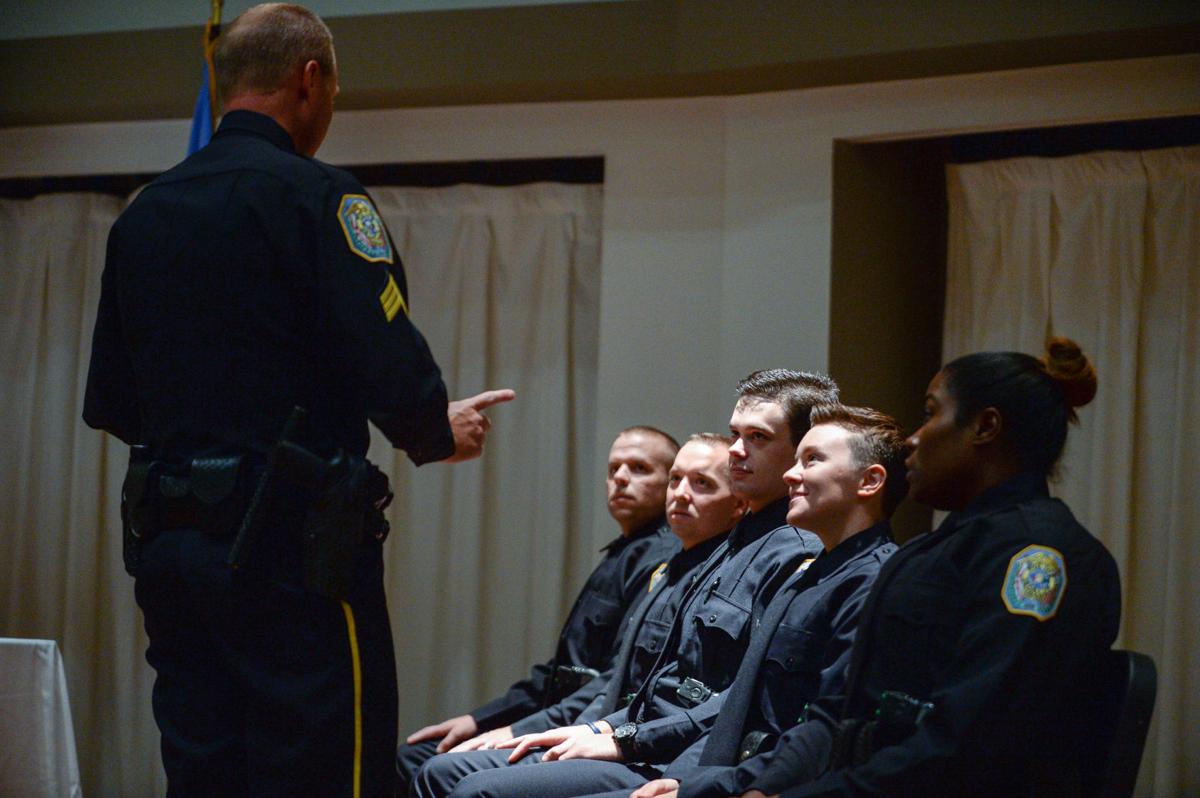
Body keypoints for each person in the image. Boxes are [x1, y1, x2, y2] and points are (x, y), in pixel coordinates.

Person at [82, 5, 511, 797]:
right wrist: (434, 430)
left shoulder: (143, 215)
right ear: (308, 80)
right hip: (291, 550)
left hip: (172, 549)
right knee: (324, 771)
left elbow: (110, 399)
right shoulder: (320, 199)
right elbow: (387, 359)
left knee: (204, 767)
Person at [695, 337, 1121, 798]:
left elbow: (968, 748)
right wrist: (758, 788)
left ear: (985, 426)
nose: (913, 439)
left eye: (931, 413)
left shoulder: (1037, 556)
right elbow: (841, 713)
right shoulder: (930, 553)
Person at [414, 370, 837, 798]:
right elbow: (646, 683)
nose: (738, 451)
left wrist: (623, 741)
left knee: (472, 790)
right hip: (640, 739)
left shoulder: (792, 552)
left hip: (673, 760)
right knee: (441, 772)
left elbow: (739, 705)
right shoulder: (725, 547)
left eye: (759, 438)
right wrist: (600, 729)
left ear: (801, 451)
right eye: (736, 434)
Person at [621, 405, 907, 798]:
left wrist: (723, 788)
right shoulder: (806, 577)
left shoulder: (875, 582)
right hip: (721, 775)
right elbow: (738, 709)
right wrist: (687, 780)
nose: (791, 474)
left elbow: (826, 729)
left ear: (870, 481)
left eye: (812, 460)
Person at [397, 427, 683, 793]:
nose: (621, 478)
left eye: (640, 468)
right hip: (558, 714)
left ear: (669, 483)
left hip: (585, 725)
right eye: (614, 469)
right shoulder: (623, 552)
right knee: (414, 755)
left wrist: (518, 731)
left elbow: (612, 682)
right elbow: (557, 674)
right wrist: (477, 720)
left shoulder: (661, 558)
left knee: (440, 771)